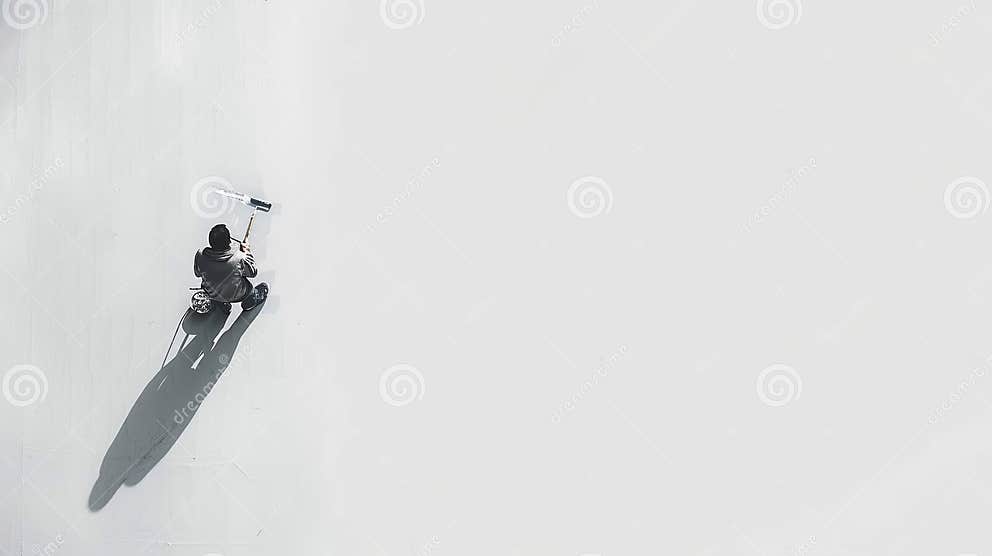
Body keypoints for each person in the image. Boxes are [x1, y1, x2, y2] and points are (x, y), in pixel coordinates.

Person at [194, 224, 268, 311]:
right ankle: (250, 301)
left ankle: (221, 303)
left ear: (210, 242)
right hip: (236, 296)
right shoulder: (239, 258)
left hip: (211, 293)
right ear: (229, 242)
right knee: (246, 283)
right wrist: (247, 252)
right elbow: (253, 272)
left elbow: (197, 274)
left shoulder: (200, 255)